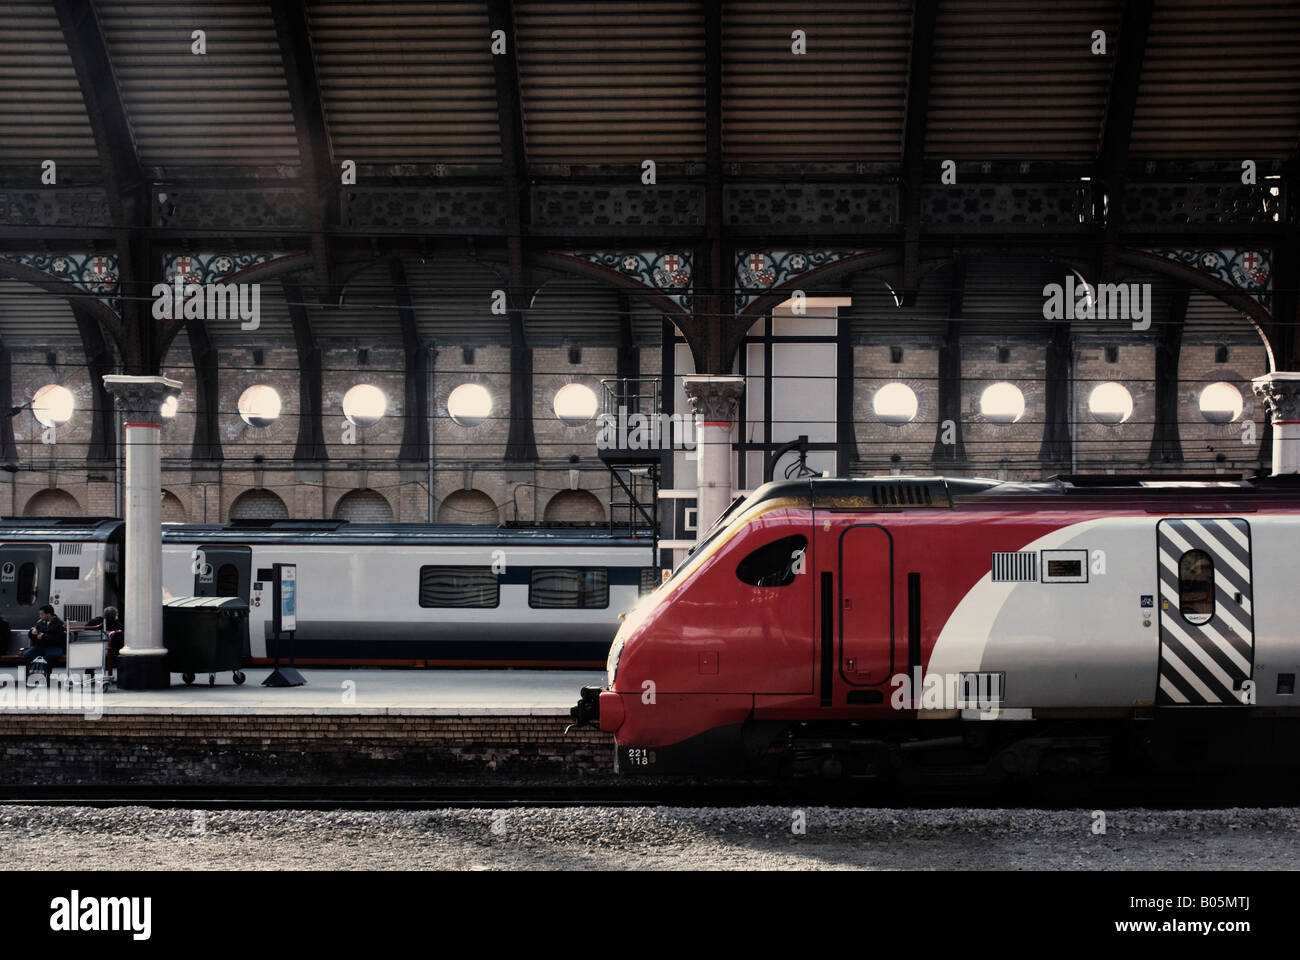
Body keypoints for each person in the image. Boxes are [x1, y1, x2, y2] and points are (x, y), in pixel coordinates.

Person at [21, 605, 67, 671]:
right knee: (27, 655)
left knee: (50, 657)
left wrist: (43, 636)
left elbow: (58, 639)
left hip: (54, 647)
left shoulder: (59, 624)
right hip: (40, 646)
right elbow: (32, 634)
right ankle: (30, 674)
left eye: (42, 614)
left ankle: (46, 675)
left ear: (48, 614)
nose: (40, 616)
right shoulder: (40, 622)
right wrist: (32, 633)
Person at [86, 606, 123, 675]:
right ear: (116, 616)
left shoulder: (94, 622)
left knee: (91, 653)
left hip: (94, 654)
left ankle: (88, 676)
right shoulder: (118, 626)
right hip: (112, 656)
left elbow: (85, 631)